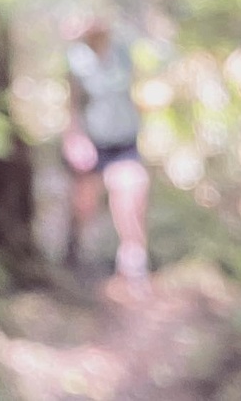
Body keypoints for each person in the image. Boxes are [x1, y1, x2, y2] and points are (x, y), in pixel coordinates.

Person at [63, 17, 151, 295]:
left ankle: (134, 263)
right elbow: (73, 103)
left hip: (123, 139)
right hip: (92, 142)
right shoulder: (77, 60)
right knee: (85, 204)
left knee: (130, 194)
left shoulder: (122, 53)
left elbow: (134, 92)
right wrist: (75, 138)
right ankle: (76, 256)